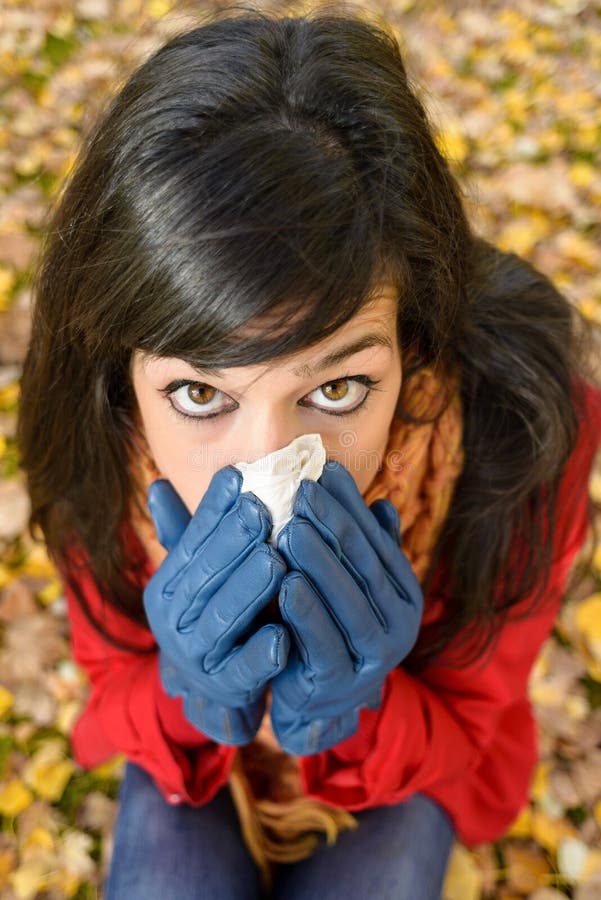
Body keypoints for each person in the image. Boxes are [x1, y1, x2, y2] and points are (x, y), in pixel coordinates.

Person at [16, 4, 601, 899]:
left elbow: (474, 731)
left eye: (336, 390)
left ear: (415, 347)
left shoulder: (521, 426)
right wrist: (185, 687)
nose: (267, 471)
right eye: (200, 394)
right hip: (193, 757)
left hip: (407, 762)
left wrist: (365, 702)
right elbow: (110, 689)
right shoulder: (95, 426)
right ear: (122, 368)